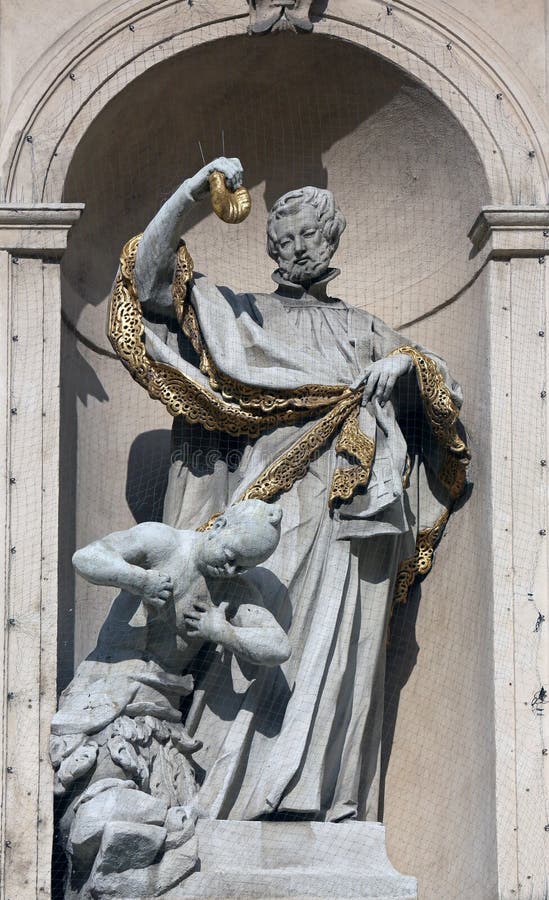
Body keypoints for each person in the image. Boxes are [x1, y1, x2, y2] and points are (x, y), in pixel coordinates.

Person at [108, 156, 469, 822]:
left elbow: (445, 391)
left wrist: (404, 364)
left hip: (361, 512)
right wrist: (192, 191)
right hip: (273, 502)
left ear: (332, 243)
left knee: (345, 652)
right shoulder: (243, 317)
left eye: (314, 235)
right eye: (290, 235)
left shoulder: (364, 328)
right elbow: (146, 279)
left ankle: (330, 799)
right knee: (257, 628)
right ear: (271, 244)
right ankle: (226, 799)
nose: (302, 247)